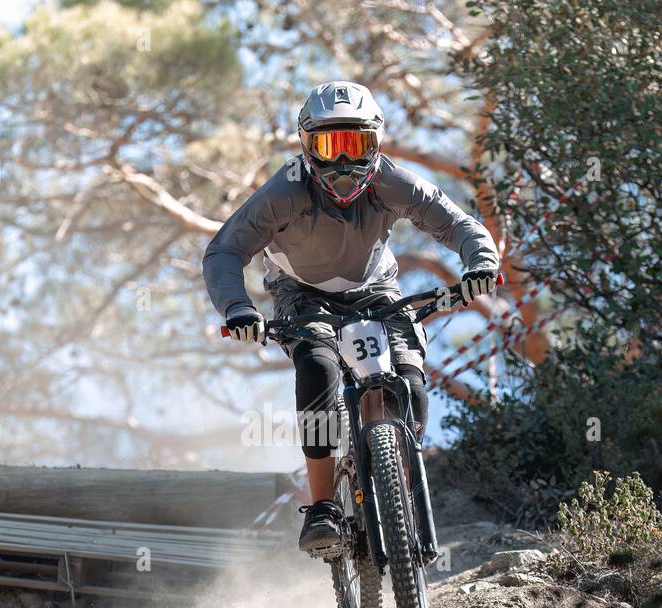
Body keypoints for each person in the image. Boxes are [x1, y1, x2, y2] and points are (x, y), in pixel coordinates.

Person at [203, 81, 500, 552]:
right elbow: (224, 250)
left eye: (356, 145)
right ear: (306, 145)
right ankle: (322, 506)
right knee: (317, 367)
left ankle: (398, 491)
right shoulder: (284, 191)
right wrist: (238, 308)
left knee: (411, 384)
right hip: (301, 294)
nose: (344, 162)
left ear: (377, 144)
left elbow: (460, 224)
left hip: (376, 290)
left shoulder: (390, 182)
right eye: (329, 145)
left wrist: (480, 262)